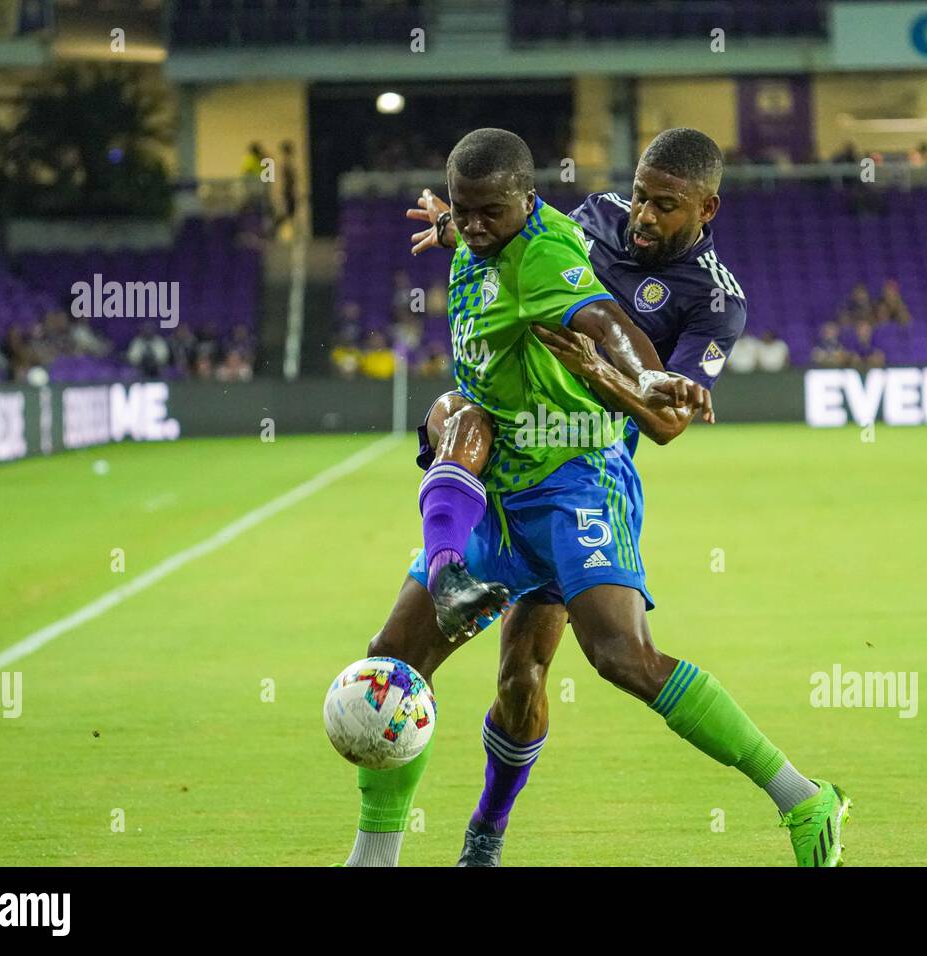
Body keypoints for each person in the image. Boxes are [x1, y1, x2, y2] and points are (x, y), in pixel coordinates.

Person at [342, 128, 848, 870]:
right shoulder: (589, 218)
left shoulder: (715, 301)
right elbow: (517, 229)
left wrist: (622, 380)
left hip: (583, 468)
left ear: (708, 207)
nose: (641, 214)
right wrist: (460, 224)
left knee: (617, 657)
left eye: (664, 205)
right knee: (431, 662)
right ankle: (407, 853)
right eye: (640, 195)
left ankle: (802, 796)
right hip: (509, 458)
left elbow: (665, 415)